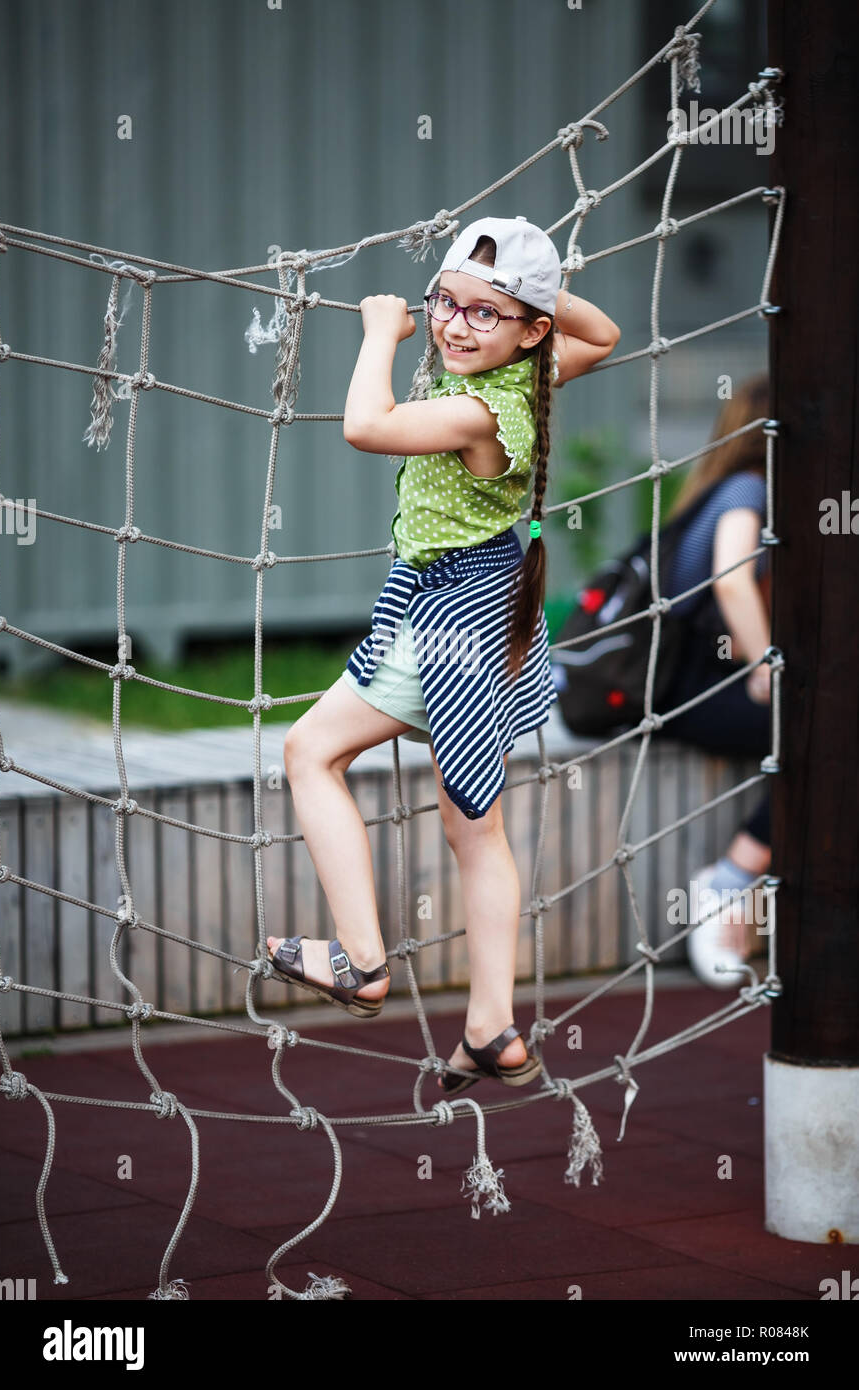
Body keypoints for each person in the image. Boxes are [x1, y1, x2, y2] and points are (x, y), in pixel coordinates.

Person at [266, 215, 620, 1094]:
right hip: (495, 614)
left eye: (483, 315)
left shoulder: (473, 409)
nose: (455, 326)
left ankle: (359, 959)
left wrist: (382, 332)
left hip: (448, 620)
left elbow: (365, 425)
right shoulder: (535, 380)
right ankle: (494, 1027)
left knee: (310, 751)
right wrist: (513, 296)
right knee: (476, 825)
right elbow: (603, 335)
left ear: (533, 330)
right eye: (444, 305)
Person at [659, 372, 773, 987]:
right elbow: (730, 579)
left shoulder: (717, 486)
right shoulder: (748, 489)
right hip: (693, 687)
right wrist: (765, 667)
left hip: (684, 680)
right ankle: (726, 885)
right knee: (830, 741)